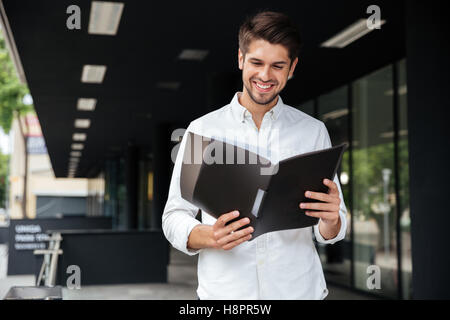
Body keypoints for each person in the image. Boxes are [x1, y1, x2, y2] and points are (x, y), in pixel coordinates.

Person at [162, 11, 347, 300]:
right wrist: (208, 236)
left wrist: (332, 218)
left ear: (292, 67)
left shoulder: (313, 132)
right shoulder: (202, 130)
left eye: (277, 66)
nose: (265, 75)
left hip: (298, 291)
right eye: (256, 62)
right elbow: (174, 216)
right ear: (240, 59)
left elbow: (331, 229)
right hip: (226, 295)